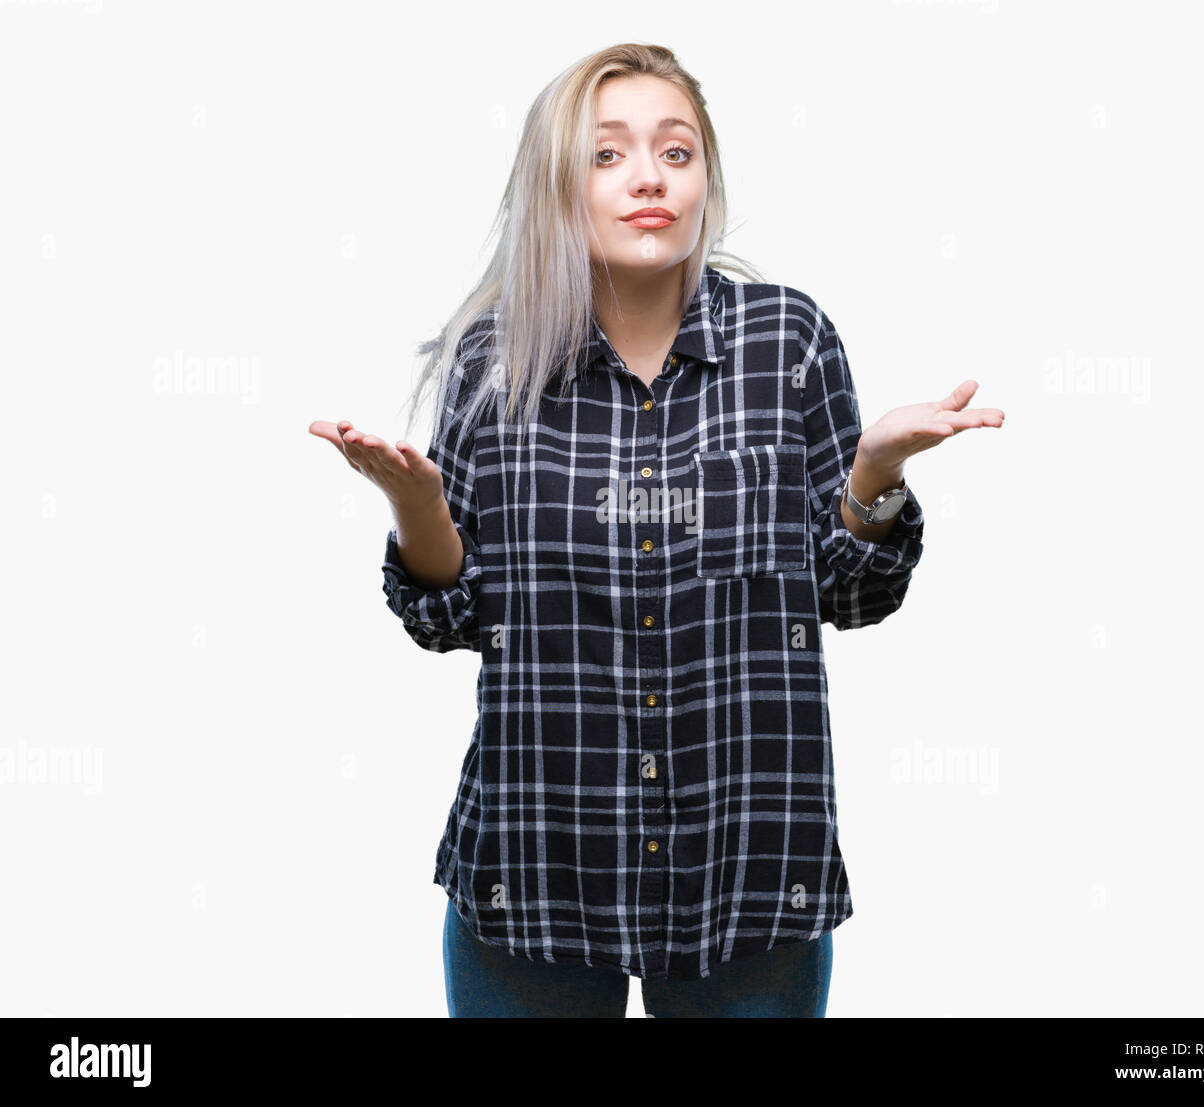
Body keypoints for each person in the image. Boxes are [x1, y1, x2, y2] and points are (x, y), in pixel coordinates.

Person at [309, 43, 1003, 1018]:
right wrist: (419, 510)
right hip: (532, 872)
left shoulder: (789, 344)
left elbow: (851, 593)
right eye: (608, 155)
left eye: (675, 153)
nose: (648, 177)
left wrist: (872, 477)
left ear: (705, 180)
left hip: (749, 879)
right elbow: (452, 619)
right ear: (556, 187)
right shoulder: (490, 365)